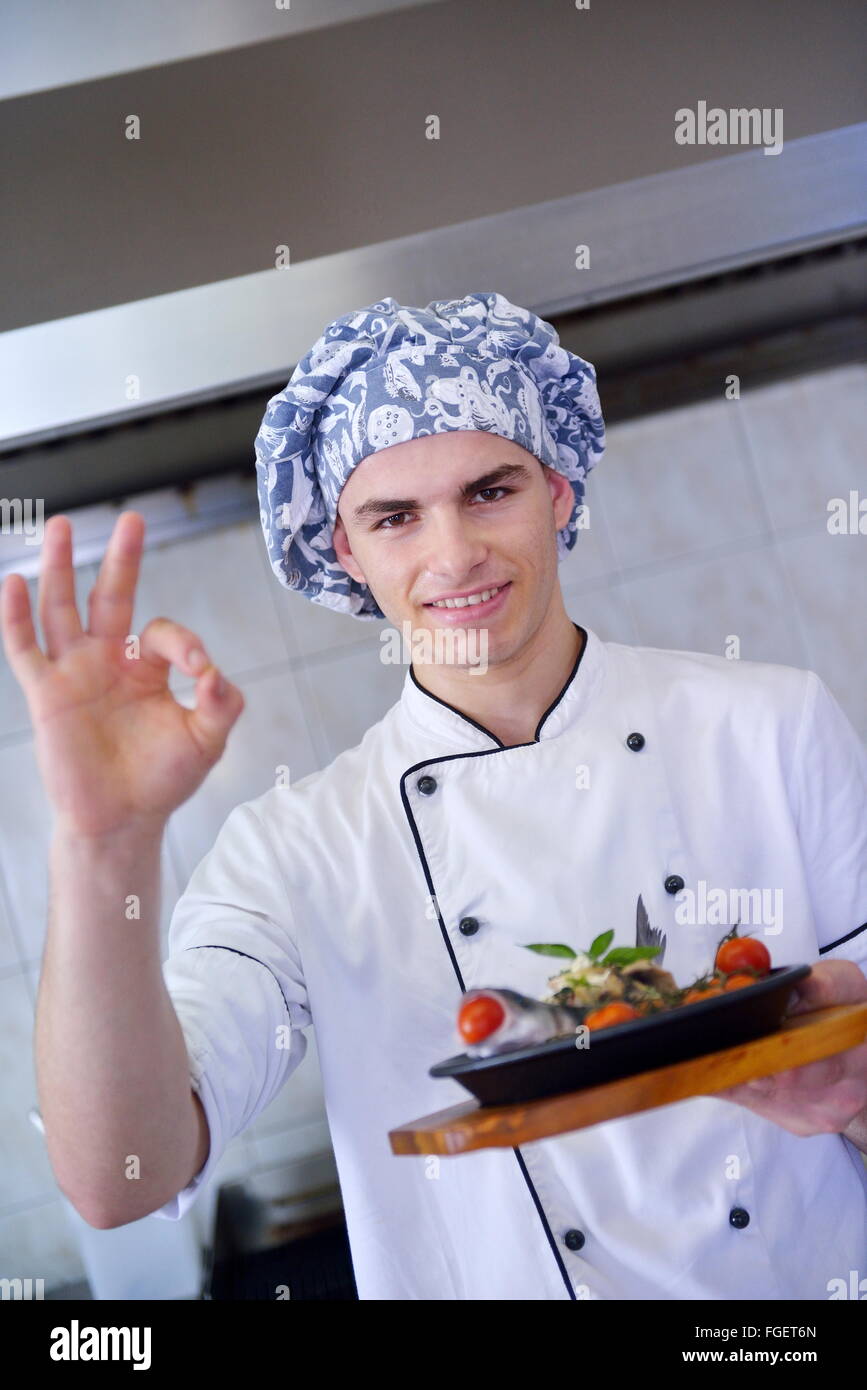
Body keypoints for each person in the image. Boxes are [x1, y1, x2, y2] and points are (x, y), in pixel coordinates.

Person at [3, 292, 866, 1301]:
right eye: (396, 517)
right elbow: (123, 1179)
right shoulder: (300, 848)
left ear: (559, 489)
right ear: (345, 550)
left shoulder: (771, 727)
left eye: (489, 490)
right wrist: (104, 843)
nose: (453, 554)